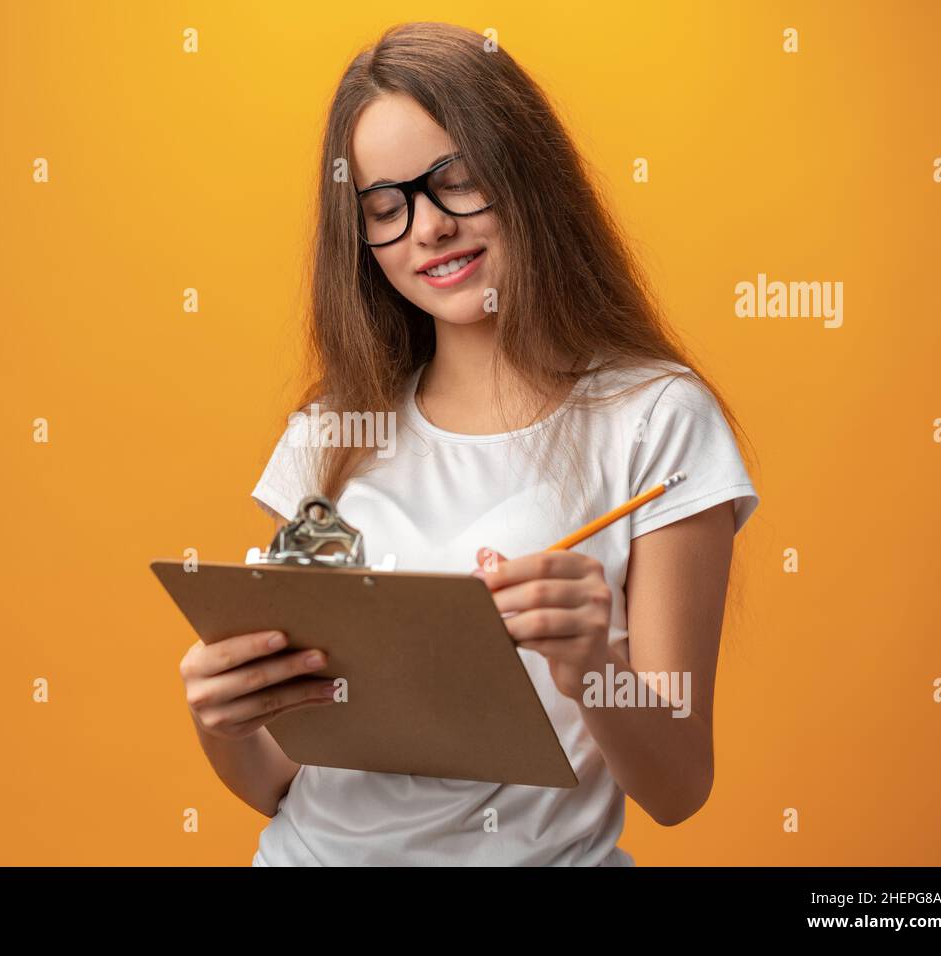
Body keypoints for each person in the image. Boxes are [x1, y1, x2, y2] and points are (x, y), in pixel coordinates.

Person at [178, 21, 759, 866]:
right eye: (385, 208)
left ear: (528, 176)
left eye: (456, 182)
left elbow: (677, 787)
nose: (427, 229)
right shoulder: (327, 434)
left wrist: (590, 662)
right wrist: (220, 721)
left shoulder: (656, 419)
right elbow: (279, 785)